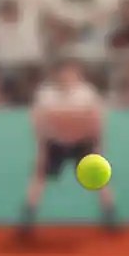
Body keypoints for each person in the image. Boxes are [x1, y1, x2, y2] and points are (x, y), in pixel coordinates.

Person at [18, 57, 119, 238]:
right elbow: (39, 121)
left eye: (72, 73)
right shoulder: (46, 93)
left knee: (101, 180)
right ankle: (27, 219)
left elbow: (96, 121)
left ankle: (110, 216)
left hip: (83, 143)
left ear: (77, 75)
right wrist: (41, 148)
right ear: (57, 75)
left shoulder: (86, 93)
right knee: (39, 177)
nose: (67, 77)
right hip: (54, 143)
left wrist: (98, 146)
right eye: (64, 73)